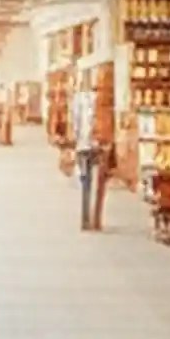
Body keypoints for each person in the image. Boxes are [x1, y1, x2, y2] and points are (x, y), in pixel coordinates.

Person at [69, 87, 100, 231]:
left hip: (83, 145)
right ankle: (92, 218)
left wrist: (76, 140)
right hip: (95, 145)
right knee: (91, 182)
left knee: (86, 182)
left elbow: (75, 124)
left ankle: (87, 218)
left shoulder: (77, 100)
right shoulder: (99, 100)